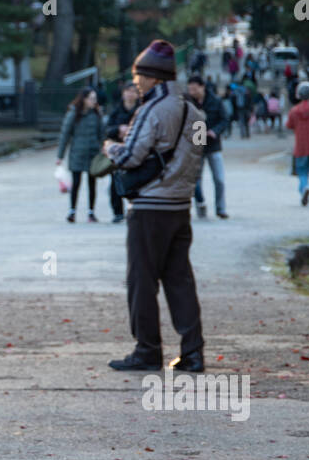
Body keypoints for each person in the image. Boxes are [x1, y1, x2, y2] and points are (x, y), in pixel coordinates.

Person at [102, 39, 206, 372]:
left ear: (155, 78)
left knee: (142, 281)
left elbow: (132, 155)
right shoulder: (195, 111)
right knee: (180, 281)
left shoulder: (152, 110)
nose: (136, 82)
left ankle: (147, 350)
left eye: (140, 76)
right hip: (180, 205)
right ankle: (193, 353)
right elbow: (198, 153)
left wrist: (109, 148)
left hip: (149, 208)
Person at [57, 86, 105, 222]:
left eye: (95, 99)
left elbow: (102, 134)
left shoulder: (97, 114)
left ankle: (91, 212)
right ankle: (72, 211)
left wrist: (103, 147)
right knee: (76, 183)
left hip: (93, 153)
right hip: (77, 153)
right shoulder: (73, 114)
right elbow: (65, 135)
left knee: (92, 183)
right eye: (91, 99)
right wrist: (60, 156)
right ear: (84, 99)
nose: (94, 101)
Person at [186, 74, 228, 218]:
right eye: (190, 89)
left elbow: (224, 120)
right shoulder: (188, 102)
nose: (192, 92)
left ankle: (221, 208)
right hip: (196, 145)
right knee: (196, 179)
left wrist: (215, 131)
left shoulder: (215, 101)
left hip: (213, 145)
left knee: (219, 179)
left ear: (202, 87)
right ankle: (200, 206)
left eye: (195, 89)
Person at [104, 81, 140, 222]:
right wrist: (118, 129)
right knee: (115, 182)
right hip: (117, 151)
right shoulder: (116, 111)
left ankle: (135, 208)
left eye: (133, 91)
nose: (130, 94)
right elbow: (107, 130)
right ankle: (118, 212)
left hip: (136, 150)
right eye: (128, 91)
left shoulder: (141, 110)